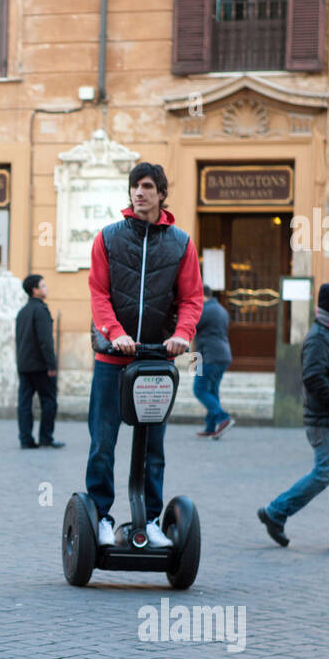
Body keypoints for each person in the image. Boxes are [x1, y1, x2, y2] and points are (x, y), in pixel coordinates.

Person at [87, 162, 203, 548]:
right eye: (135, 186)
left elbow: (191, 298)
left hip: (156, 362)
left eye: (148, 186)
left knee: (154, 448)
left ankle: (151, 521)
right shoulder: (107, 238)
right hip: (112, 361)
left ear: (161, 193)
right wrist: (115, 333)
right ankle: (101, 518)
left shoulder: (181, 243)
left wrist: (183, 335)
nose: (139, 193)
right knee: (103, 444)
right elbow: (99, 296)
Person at [257, 283, 329, 551]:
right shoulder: (321, 337)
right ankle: (276, 512)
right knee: (323, 476)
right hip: (328, 421)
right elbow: (313, 378)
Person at [16, 274, 63, 448]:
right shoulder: (41, 311)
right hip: (41, 366)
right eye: (43, 285)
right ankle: (46, 438)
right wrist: (51, 365)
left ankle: (25, 439)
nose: (46, 288)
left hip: (24, 364)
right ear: (34, 290)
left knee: (25, 403)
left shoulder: (23, 311)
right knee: (49, 400)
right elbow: (46, 340)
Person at [191, 285, 233, 438]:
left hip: (209, 356)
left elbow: (191, 329)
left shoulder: (205, 310)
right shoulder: (221, 310)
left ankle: (223, 418)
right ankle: (210, 427)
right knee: (212, 390)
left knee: (200, 389)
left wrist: (194, 363)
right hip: (222, 355)